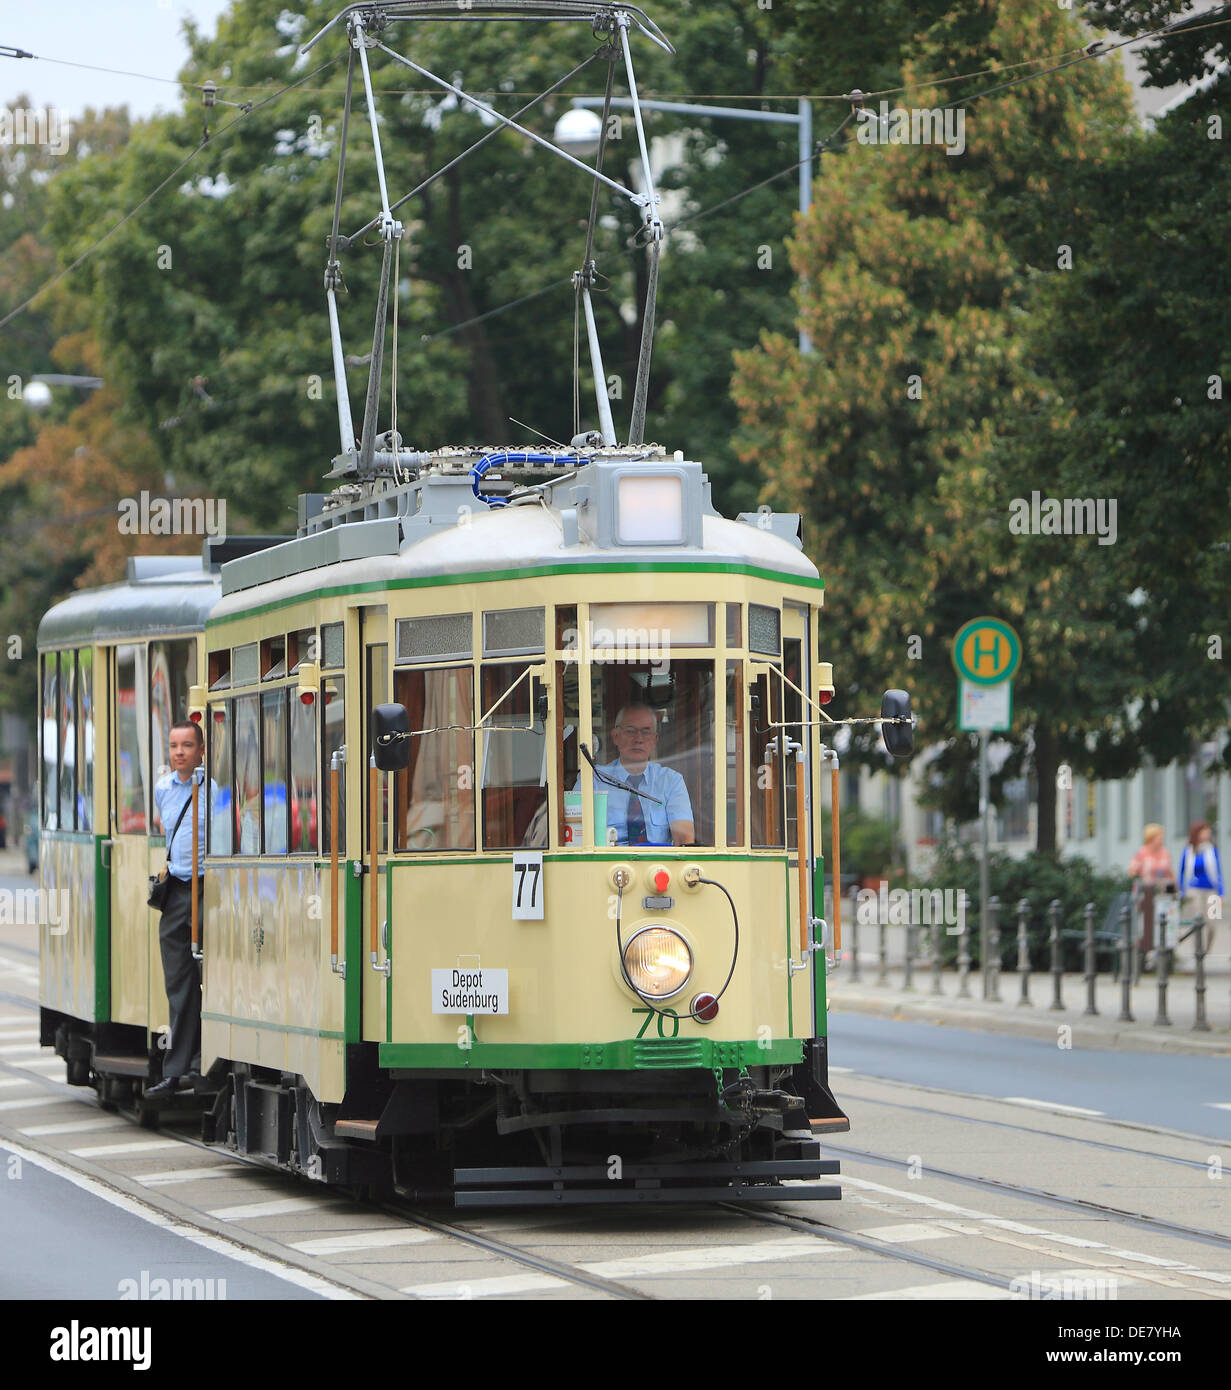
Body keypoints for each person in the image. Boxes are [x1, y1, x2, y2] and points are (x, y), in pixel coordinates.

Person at [145, 721, 211, 1098]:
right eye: (174, 745)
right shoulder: (162, 790)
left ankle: (206, 1065)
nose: (180, 752)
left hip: (208, 889)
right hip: (176, 892)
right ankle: (176, 1070)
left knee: (211, 977)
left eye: (187, 745)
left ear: (201, 750)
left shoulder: (212, 790)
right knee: (179, 983)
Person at [593, 703, 694, 847]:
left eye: (646, 732)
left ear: (655, 739)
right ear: (615, 736)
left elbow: (684, 840)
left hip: (659, 864)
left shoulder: (671, 781)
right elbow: (577, 834)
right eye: (630, 731)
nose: (638, 739)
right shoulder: (594, 779)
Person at [1178, 820, 1223, 960]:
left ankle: (1206, 950)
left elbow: (1219, 872)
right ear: (1197, 833)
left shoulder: (1212, 849)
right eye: (1204, 831)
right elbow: (1182, 871)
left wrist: (1221, 893)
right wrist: (1182, 891)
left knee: (1212, 923)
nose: (1207, 833)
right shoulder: (1189, 850)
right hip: (1194, 890)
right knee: (1198, 922)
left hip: (1212, 891)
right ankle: (1198, 951)